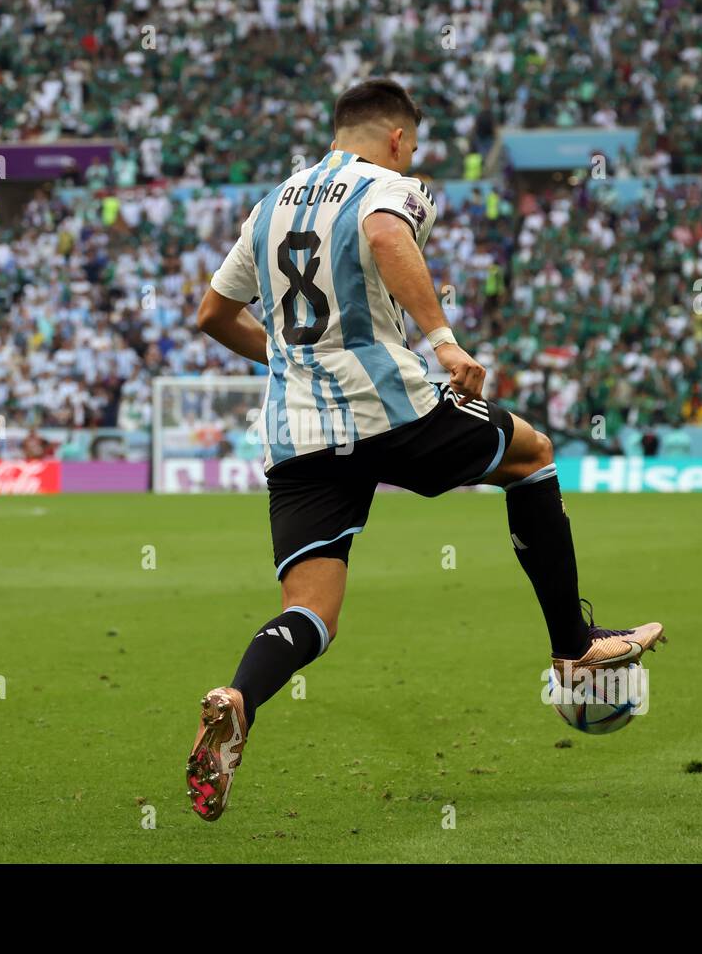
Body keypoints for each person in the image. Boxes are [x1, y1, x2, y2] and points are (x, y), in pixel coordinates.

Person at [185, 79, 665, 822]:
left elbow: (212, 314)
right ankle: (572, 647)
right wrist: (443, 339)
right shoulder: (392, 184)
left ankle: (238, 696)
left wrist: (289, 359)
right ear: (400, 138)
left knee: (312, 612)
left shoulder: (269, 205)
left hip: (299, 432)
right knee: (531, 452)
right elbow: (383, 234)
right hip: (390, 408)